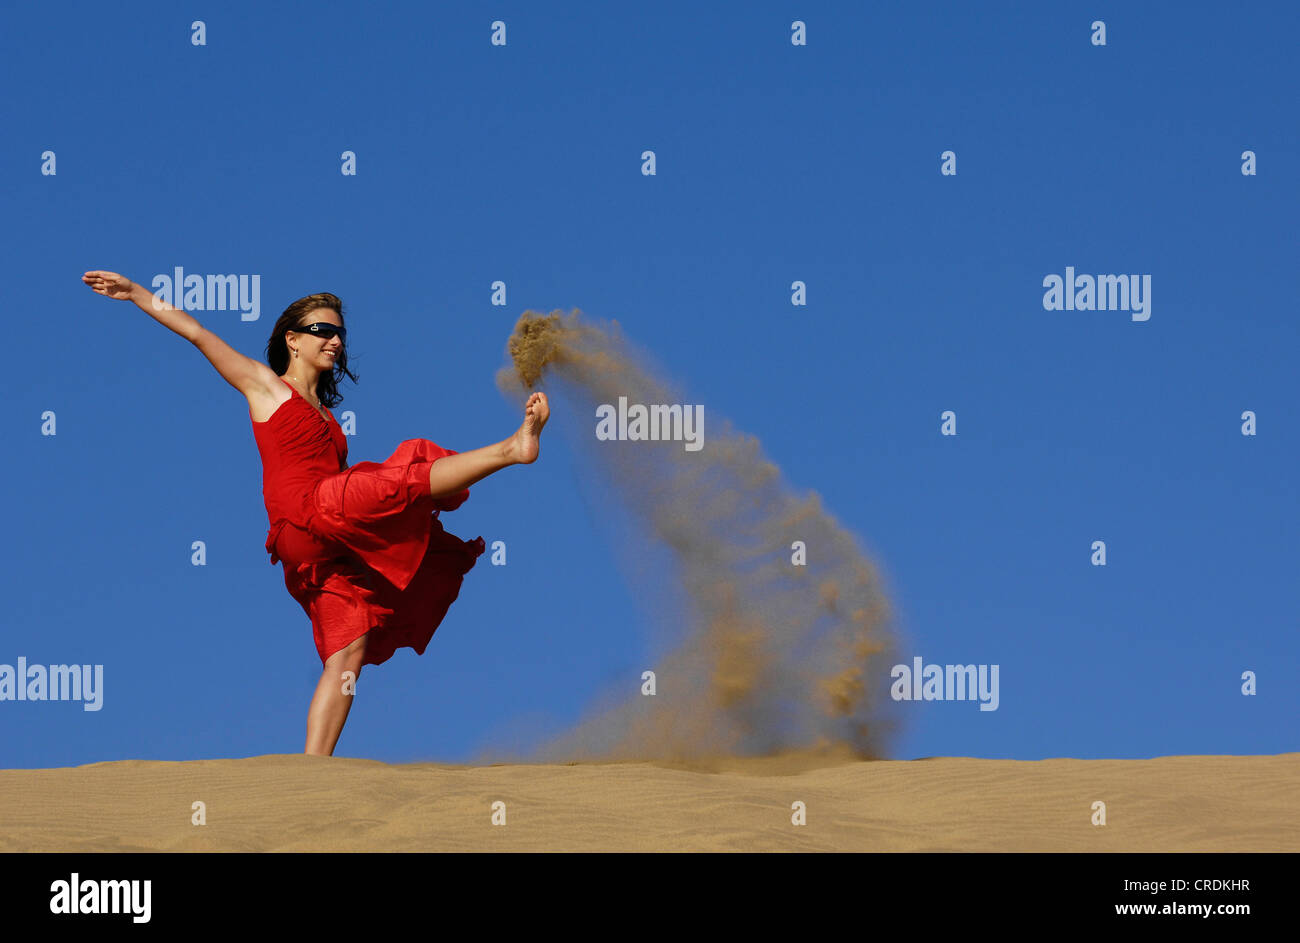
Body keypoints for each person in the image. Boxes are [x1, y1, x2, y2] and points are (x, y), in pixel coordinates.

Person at [81, 271, 549, 755]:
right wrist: (136, 293)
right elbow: (198, 333)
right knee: (406, 470)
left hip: (322, 546)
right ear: (293, 340)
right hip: (307, 513)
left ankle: (312, 773)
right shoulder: (266, 388)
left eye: (340, 333)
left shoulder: (326, 416)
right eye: (323, 330)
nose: (335, 341)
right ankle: (511, 449)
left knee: (349, 648)